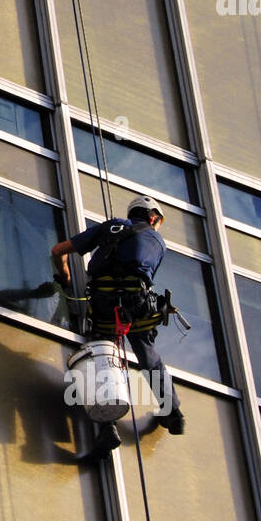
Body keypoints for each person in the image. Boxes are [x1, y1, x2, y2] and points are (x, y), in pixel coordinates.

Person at [51, 195, 184, 455]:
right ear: (153, 218)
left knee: (102, 355)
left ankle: (107, 426)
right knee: (148, 354)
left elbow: (58, 251)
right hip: (136, 301)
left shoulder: (109, 227)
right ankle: (173, 412)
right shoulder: (158, 241)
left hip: (102, 301)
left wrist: (65, 276)